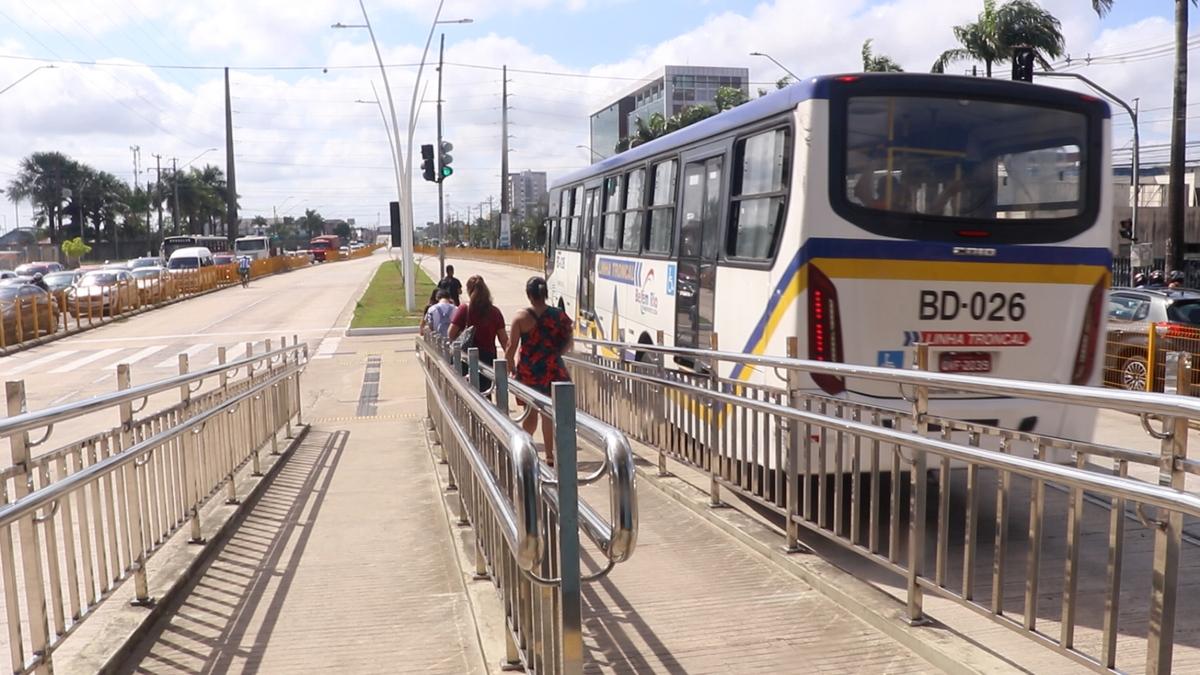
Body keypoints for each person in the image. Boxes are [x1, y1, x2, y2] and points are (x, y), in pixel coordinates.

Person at [505, 276, 573, 466]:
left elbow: (511, 348)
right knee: (548, 413)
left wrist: (510, 368)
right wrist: (557, 353)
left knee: (530, 412)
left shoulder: (520, 317)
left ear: (529, 295)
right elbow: (569, 339)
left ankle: (528, 451)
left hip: (529, 371)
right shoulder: (558, 315)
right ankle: (550, 455)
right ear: (545, 293)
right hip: (552, 369)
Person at [449, 275, 507, 392]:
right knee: (485, 394)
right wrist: (510, 361)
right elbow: (504, 340)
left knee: (467, 394)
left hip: (466, 358)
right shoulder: (495, 312)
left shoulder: (465, 309)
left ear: (469, 290)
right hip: (488, 358)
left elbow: (451, 333)